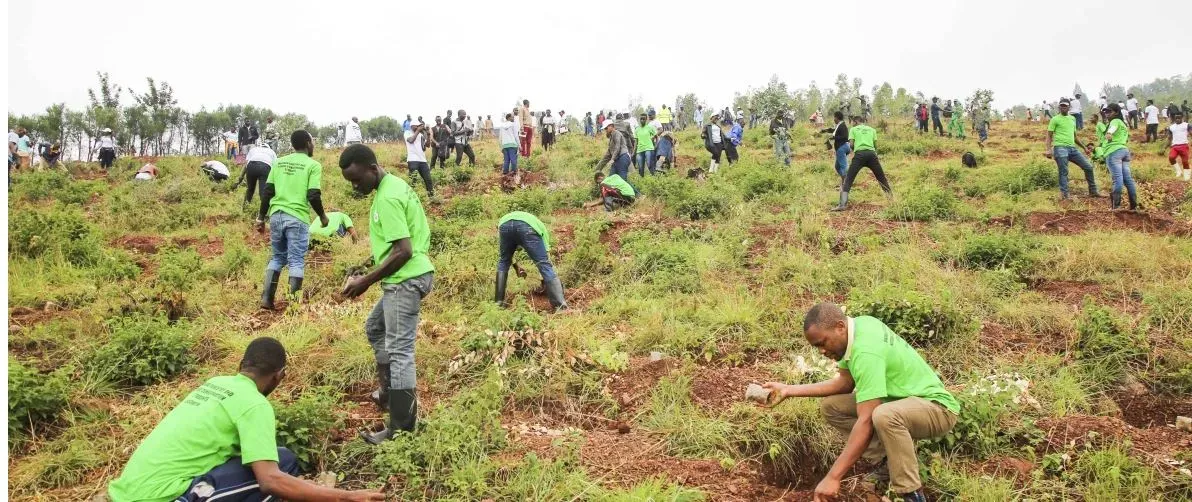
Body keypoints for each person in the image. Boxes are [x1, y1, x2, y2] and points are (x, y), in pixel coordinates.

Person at [107, 337, 385, 502]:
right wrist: (346, 497)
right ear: (279, 376)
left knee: (283, 458)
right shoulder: (254, 404)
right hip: (159, 496)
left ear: (241, 365)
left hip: (129, 488)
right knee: (279, 471)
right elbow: (270, 481)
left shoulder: (216, 383)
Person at [761, 303, 959, 502]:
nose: (821, 351)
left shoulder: (865, 352)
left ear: (840, 327)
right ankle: (888, 461)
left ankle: (911, 494)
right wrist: (789, 390)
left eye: (822, 343)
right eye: (816, 347)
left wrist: (833, 477)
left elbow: (866, 420)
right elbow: (845, 383)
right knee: (832, 407)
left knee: (884, 415)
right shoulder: (858, 327)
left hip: (936, 408)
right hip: (902, 401)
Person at [337, 145, 434, 444]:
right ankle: (389, 393)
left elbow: (403, 251)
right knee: (375, 328)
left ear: (372, 168)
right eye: (350, 182)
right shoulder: (392, 186)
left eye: (357, 180)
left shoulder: (388, 197)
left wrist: (365, 281)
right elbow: (396, 243)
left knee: (400, 350)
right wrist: (366, 266)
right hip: (408, 275)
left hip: (406, 279)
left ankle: (401, 428)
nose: (355, 187)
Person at [259, 130, 329, 309]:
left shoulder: (278, 162)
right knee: (296, 260)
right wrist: (322, 216)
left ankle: (266, 299)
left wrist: (260, 218)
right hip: (297, 218)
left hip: (276, 216)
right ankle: (293, 305)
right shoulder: (313, 165)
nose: (313, 145)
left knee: (277, 258)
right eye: (312, 141)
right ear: (308, 143)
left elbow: (268, 191)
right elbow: (313, 195)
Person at [494, 211, 567, 310]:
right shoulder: (537, 225)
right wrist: (543, 278)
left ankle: (498, 303)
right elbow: (545, 256)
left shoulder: (502, 226)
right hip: (526, 226)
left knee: (503, 261)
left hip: (504, 224)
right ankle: (560, 306)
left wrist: (515, 266)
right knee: (543, 263)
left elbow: (507, 256)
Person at [832, 115, 892, 211]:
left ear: (856, 122)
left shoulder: (853, 129)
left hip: (859, 156)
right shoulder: (872, 130)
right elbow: (875, 146)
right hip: (872, 155)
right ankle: (892, 201)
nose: (852, 124)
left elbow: (851, 145)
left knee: (848, 180)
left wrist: (856, 149)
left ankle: (842, 205)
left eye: (853, 122)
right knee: (882, 178)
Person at [1044, 98, 1100, 201]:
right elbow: (1049, 135)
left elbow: (1074, 137)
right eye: (1061, 105)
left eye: (1065, 105)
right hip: (1060, 148)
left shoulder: (1072, 119)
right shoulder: (1055, 119)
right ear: (1059, 107)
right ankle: (1065, 196)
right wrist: (1048, 149)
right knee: (1064, 172)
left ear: (1069, 107)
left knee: (1088, 167)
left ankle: (1093, 192)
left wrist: (1084, 148)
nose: (1063, 107)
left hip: (1072, 148)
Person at [1100, 103, 1138, 210]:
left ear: (1116, 112)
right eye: (1106, 111)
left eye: (1109, 111)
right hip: (1124, 151)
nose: (1107, 113)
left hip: (1114, 152)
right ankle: (1134, 206)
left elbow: (1111, 130)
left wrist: (1109, 134)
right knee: (1128, 179)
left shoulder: (1115, 121)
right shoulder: (1123, 124)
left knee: (1117, 179)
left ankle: (1115, 207)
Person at [236, 142, 277, 218]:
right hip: (265, 167)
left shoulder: (254, 149)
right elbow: (275, 167)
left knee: (250, 189)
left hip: (251, 165)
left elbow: (246, 164)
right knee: (263, 192)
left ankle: (244, 210)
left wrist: (240, 178)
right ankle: (264, 215)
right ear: (268, 147)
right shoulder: (272, 152)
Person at [404, 121, 434, 198]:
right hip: (412, 160)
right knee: (413, 180)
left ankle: (432, 197)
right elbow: (411, 140)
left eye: (420, 126)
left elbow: (427, 145)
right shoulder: (407, 133)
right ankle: (410, 198)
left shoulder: (421, 135)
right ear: (412, 126)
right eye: (418, 126)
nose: (419, 127)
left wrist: (428, 135)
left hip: (422, 160)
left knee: (428, 180)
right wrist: (418, 130)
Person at [822, 111, 851, 179]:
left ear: (837, 117)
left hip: (842, 147)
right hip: (842, 147)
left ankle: (847, 181)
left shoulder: (842, 125)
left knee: (844, 167)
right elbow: (834, 130)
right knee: (837, 167)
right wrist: (825, 130)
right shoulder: (839, 125)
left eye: (834, 117)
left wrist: (833, 138)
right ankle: (844, 179)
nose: (833, 119)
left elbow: (845, 137)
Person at [1168, 111, 1190, 181]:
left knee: (1185, 161)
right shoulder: (1171, 127)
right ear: (1174, 118)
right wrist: (1167, 145)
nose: (1177, 119)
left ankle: (1187, 176)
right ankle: (1178, 171)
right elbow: (1169, 137)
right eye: (1176, 118)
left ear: (1182, 117)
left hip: (1184, 145)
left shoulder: (1187, 125)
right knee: (1171, 158)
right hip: (1175, 146)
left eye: (1179, 118)